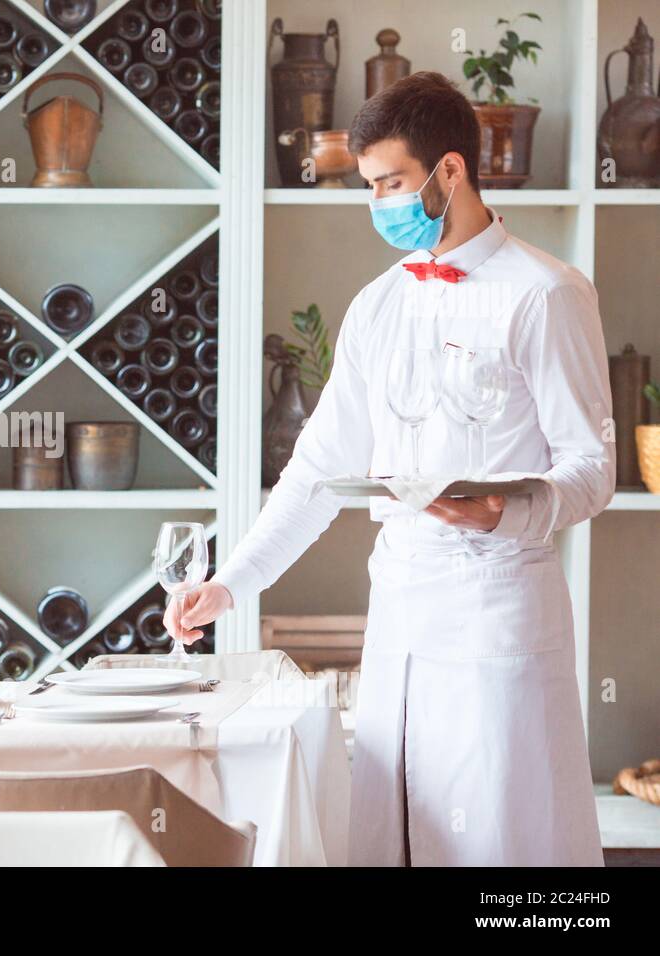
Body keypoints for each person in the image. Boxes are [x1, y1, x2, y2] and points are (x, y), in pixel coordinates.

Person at [167, 73, 612, 866]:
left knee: (504, 843)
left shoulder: (546, 294)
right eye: (368, 188)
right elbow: (317, 470)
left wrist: (501, 511)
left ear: (450, 171)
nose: (378, 205)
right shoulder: (376, 305)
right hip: (399, 609)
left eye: (392, 183)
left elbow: (591, 468)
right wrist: (229, 584)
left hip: (497, 606)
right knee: (396, 836)